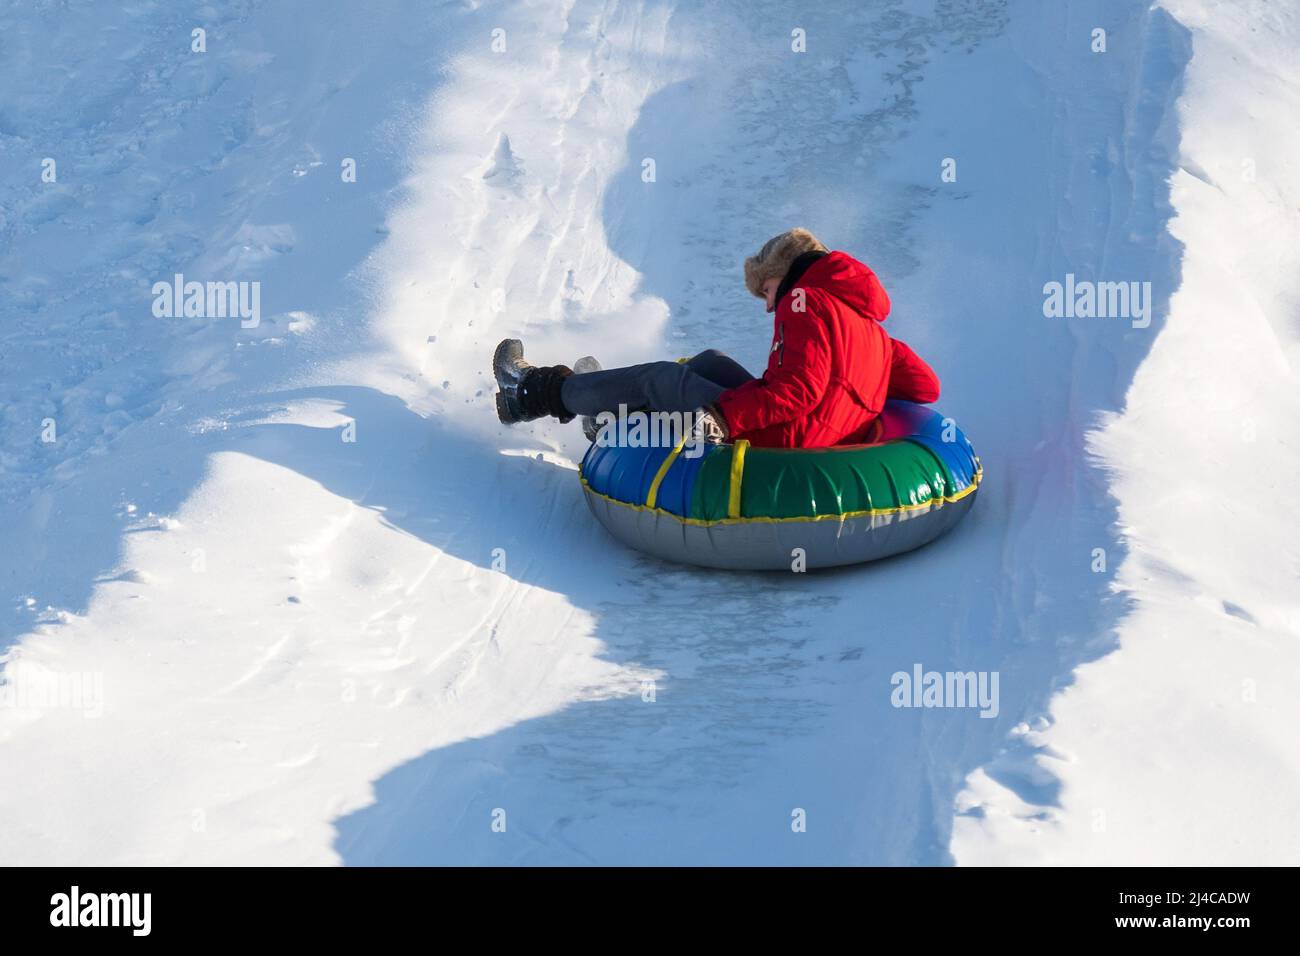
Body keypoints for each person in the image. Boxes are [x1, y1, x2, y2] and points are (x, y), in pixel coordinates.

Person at [493, 227, 940, 448]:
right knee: (709, 362)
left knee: (664, 379)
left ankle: (531, 394)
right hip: (826, 432)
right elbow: (926, 388)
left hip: (793, 437)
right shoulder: (873, 329)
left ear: (783, 274)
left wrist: (724, 420)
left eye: (766, 290)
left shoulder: (802, 300)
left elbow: (798, 391)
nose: (768, 305)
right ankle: (607, 413)